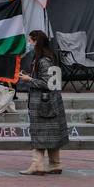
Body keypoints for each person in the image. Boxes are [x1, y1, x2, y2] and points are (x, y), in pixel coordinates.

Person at [17, 30, 69, 175]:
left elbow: (48, 83)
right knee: (51, 133)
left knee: (39, 133)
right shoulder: (50, 57)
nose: (28, 43)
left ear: (35, 41)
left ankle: (37, 165)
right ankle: (55, 164)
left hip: (44, 103)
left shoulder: (43, 60)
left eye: (30, 40)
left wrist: (29, 80)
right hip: (51, 103)